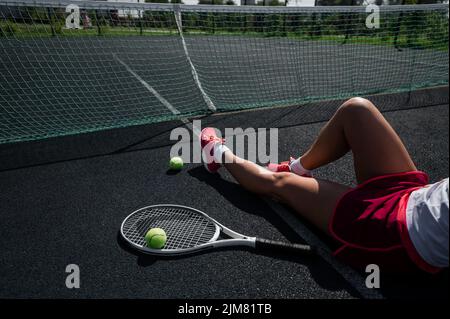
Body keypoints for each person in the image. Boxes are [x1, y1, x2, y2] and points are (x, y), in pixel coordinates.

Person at [199, 97, 449, 273]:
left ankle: (217, 151)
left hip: (395, 231)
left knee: (278, 183)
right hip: (414, 196)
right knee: (356, 109)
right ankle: (296, 167)